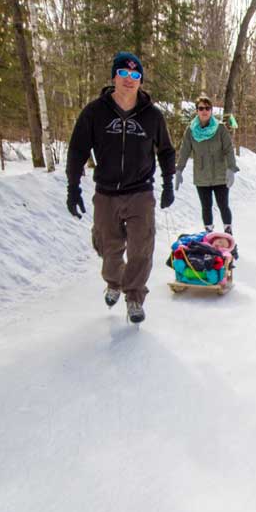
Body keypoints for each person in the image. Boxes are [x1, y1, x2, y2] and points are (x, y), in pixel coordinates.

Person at [66, 51, 175, 324]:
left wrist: (168, 184)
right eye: (124, 73)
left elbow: (166, 151)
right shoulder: (95, 112)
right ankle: (114, 281)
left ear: (141, 80)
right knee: (108, 246)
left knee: (141, 247)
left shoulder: (152, 116)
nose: (129, 79)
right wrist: (73, 187)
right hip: (106, 193)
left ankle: (134, 297)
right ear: (114, 77)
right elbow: (77, 150)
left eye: (135, 74)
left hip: (140, 192)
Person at [175, 95, 238, 236]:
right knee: (206, 206)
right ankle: (209, 234)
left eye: (207, 108)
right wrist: (179, 170)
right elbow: (184, 151)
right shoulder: (191, 130)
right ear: (197, 110)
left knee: (223, 205)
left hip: (220, 175)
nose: (204, 111)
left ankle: (228, 234)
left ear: (211, 110)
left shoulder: (220, 129)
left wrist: (231, 168)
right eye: (201, 108)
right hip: (201, 175)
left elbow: (228, 149)